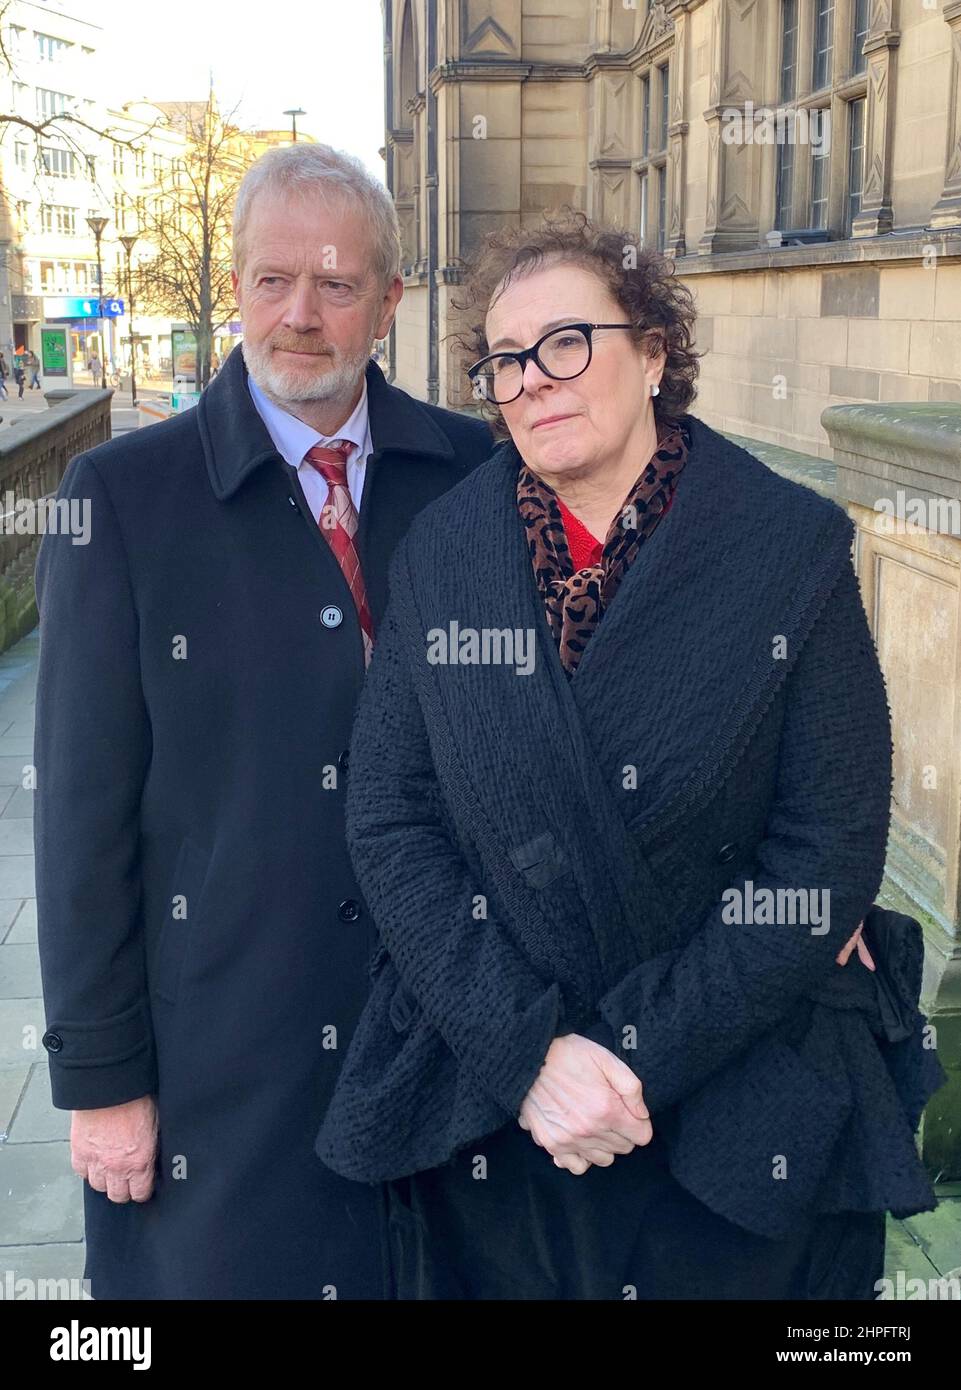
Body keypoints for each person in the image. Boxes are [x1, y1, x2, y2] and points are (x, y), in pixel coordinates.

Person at [316, 212, 947, 1300]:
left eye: (567, 341)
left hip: (733, 1104)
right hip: (502, 1115)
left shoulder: (785, 545)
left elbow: (828, 844)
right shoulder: (446, 556)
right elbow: (389, 814)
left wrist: (631, 1053)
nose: (532, 381)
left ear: (654, 350)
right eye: (504, 361)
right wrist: (527, 1055)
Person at [33, 141, 492, 1299]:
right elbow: (78, 817)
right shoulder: (125, 500)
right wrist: (99, 1078)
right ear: (234, 285)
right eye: (272, 280)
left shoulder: (476, 477)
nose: (301, 315)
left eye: (338, 284)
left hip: (447, 1044)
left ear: (388, 301)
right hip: (218, 1066)